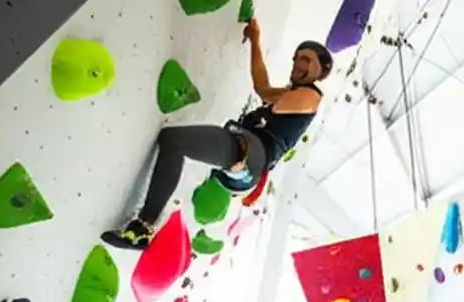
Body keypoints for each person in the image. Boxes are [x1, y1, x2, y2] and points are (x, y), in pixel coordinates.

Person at [102, 18, 333, 250]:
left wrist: (272, 96)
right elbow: (262, 87)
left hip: (253, 154)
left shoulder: (311, 97)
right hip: (246, 161)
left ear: (321, 72)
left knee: (175, 140)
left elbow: (275, 100)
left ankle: (145, 226)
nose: (297, 64)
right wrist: (255, 40)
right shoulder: (292, 95)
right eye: (296, 58)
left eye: (306, 60)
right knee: (171, 140)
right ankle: (142, 230)